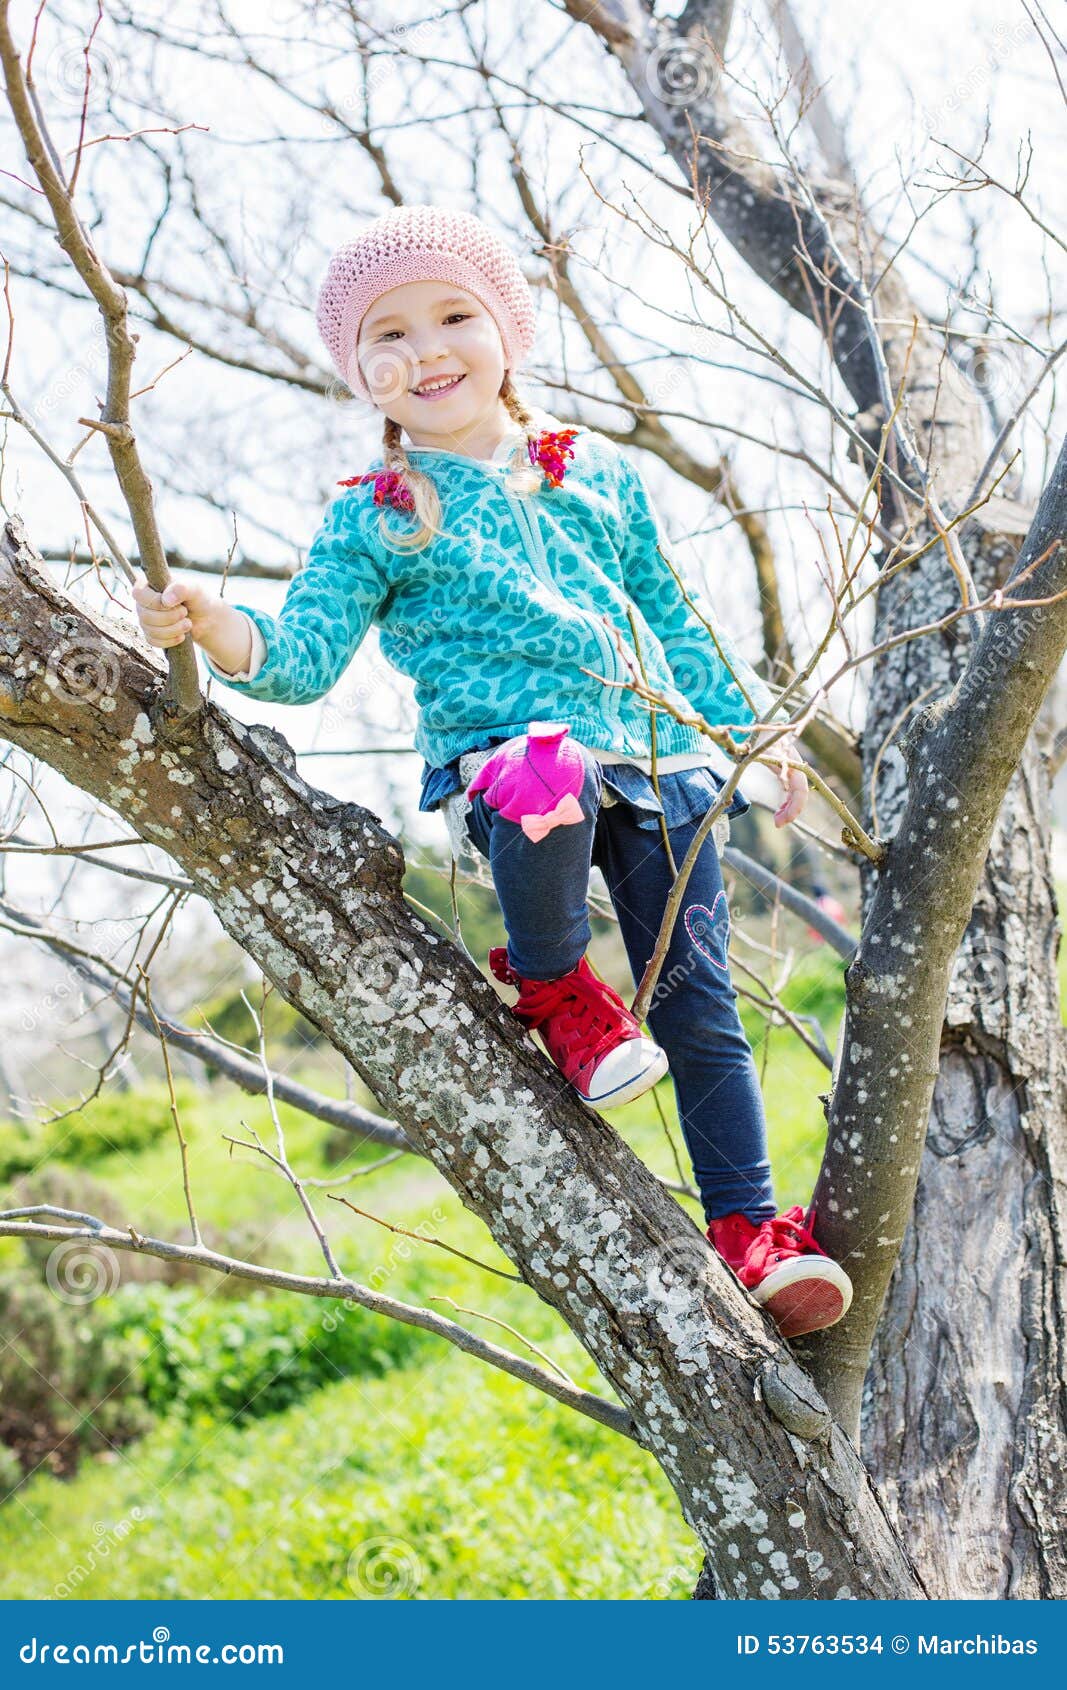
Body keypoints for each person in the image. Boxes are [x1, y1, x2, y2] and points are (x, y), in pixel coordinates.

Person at [133, 203, 852, 1339]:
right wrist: (217, 628)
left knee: (702, 1008)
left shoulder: (597, 476)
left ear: (507, 331)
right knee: (540, 771)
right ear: (358, 373)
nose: (425, 350)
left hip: (655, 759)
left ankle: (751, 1234)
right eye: (388, 335)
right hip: (515, 776)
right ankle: (552, 978)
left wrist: (748, 732)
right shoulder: (379, 516)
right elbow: (302, 657)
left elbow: (674, 618)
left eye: (452, 315)